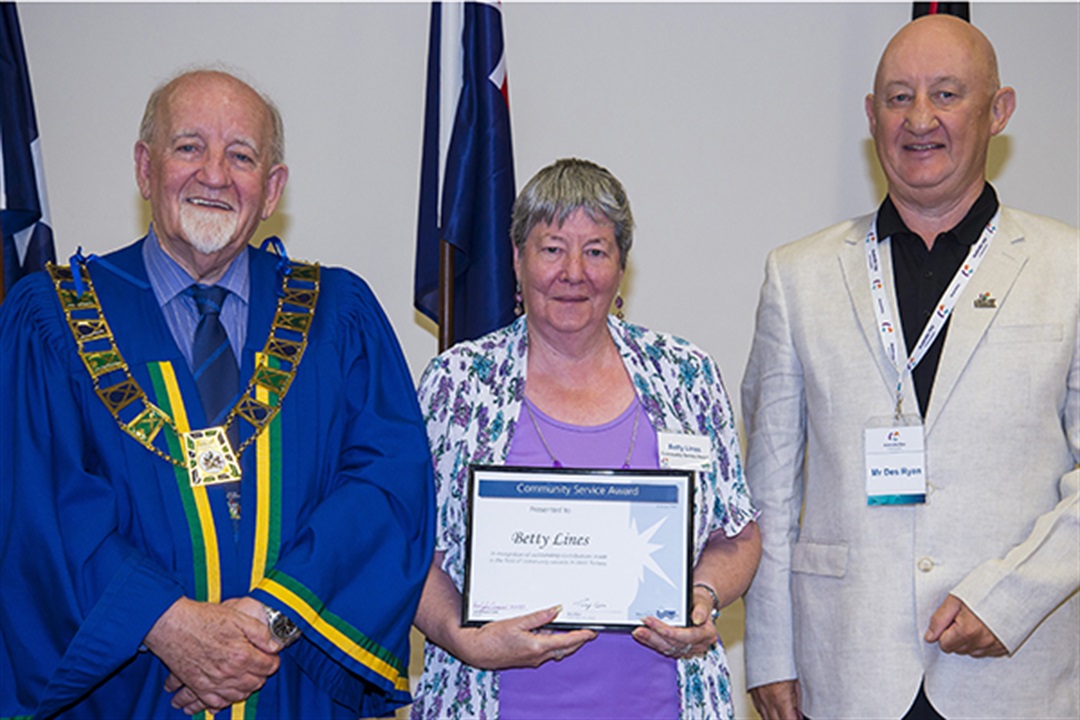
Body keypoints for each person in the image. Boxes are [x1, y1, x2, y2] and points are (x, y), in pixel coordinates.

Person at [0, 68, 434, 718]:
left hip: (289, 680)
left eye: (242, 155)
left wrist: (268, 625)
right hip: (129, 687)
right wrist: (167, 624)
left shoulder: (337, 319)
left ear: (272, 188)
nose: (214, 174)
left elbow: (386, 492)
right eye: (188, 147)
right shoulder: (51, 320)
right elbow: (36, 501)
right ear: (145, 169)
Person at [742, 14, 1079, 720]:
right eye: (898, 97)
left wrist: (1010, 600)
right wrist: (770, 651)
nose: (919, 119)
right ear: (871, 116)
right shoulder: (796, 276)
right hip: (845, 670)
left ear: (999, 110)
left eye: (947, 94)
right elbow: (767, 488)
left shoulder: (1069, 269)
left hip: (1014, 671)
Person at [409, 157, 761, 720]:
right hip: (490, 703)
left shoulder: (685, 374)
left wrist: (703, 598)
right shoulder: (459, 383)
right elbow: (408, 543)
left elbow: (737, 535)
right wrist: (459, 634)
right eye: (552, 249)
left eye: (595, 250)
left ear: (622, 266)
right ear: (517, 260)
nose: (573, 271)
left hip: (662, 705)